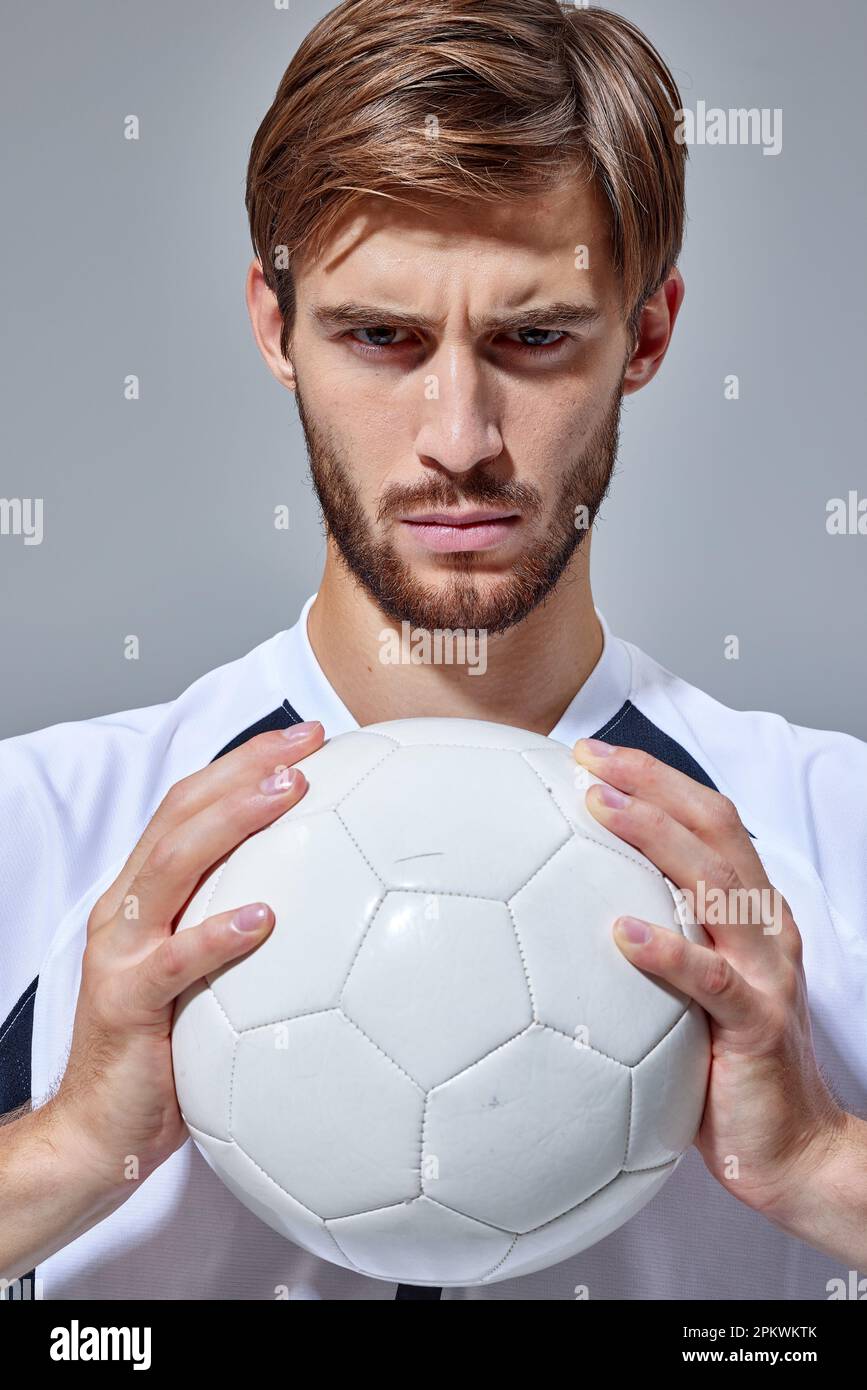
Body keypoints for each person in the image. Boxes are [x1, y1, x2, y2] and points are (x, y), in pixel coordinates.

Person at [1, 0, 865, 1302]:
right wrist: (67, 1146)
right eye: (381, 337)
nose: (458, 434)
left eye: (532, 338)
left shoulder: (835, 836)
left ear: (648, 332)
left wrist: (817, 1160)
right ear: (271, 325)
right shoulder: (38, 833)